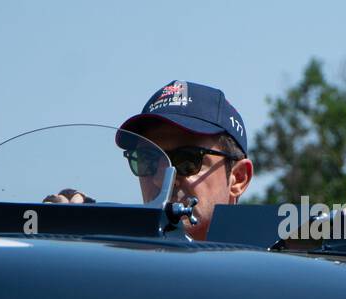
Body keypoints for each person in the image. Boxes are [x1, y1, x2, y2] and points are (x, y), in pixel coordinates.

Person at [46, 81, 253, 242]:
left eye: (187, 160)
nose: (160, 180)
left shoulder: (276, 270)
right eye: (147, 160)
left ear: (238, 178)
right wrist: (72, 239)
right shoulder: (117, 267)